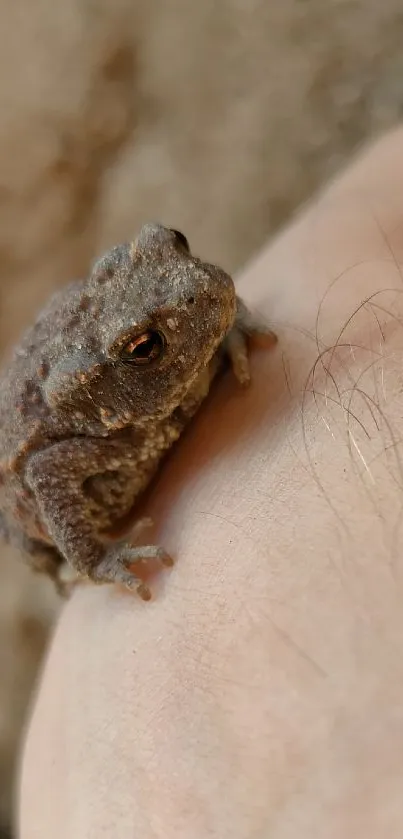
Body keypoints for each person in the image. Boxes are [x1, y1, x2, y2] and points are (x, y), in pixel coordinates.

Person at [18, 127, 403, 837]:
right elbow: (40, 472)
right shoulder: (89, 431)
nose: (201, 285)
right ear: (112, 382)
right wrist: (93, 557)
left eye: (177, 245)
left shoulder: (182, 306)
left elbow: (198, 293)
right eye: (147, 345)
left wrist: (227, 324)